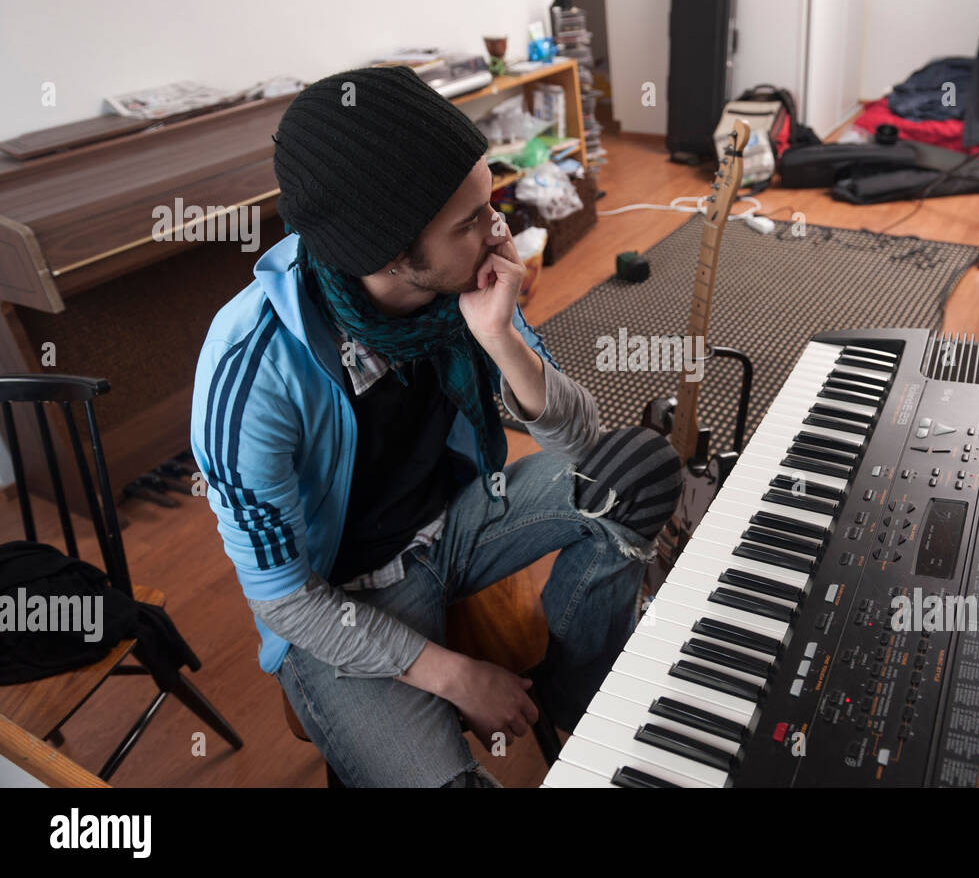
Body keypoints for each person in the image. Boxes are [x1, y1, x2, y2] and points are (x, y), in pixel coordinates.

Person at [190, 66, 681, 787]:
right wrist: (457, 676)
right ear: (390, 253)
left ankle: (581, 693)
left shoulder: (458, 282)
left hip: (453, 524)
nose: (500, 228)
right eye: (472, 219)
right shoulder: (252, 373)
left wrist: (504, 341)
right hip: (340, 601)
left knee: (634, 470)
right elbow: (285, 596)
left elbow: (584, 445)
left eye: (491, 200)